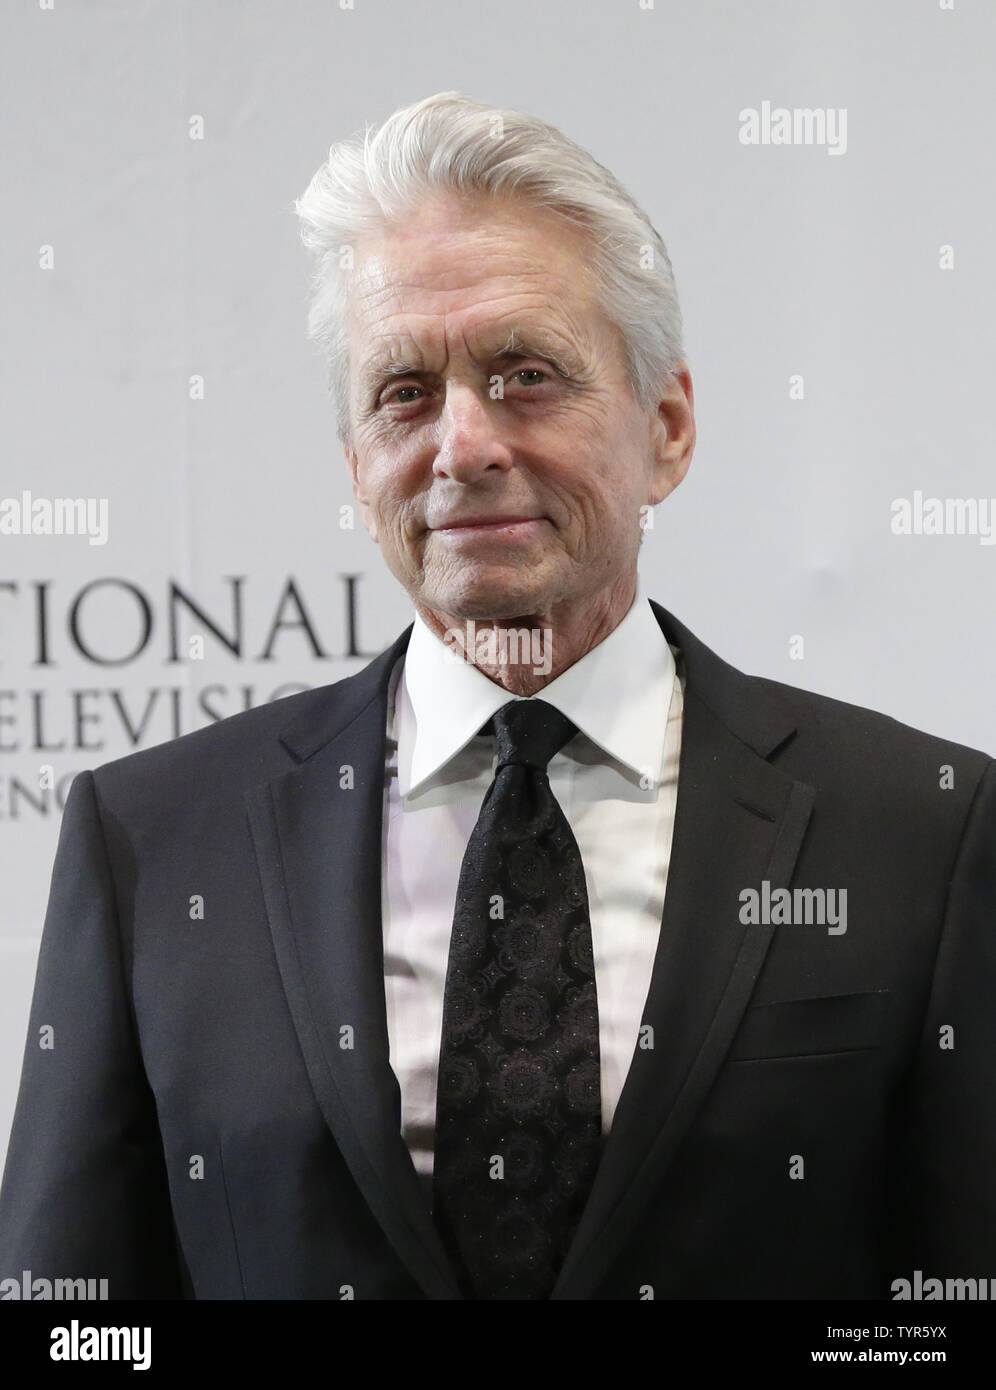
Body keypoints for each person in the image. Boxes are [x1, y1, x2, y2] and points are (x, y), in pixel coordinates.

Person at [1, 91, 994, 1302]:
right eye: (405, 392)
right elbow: (71, 1326)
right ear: (357, 462)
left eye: (527, 374)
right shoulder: (152, 840)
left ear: (668, 426)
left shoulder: (923, 827)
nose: (462, 445)